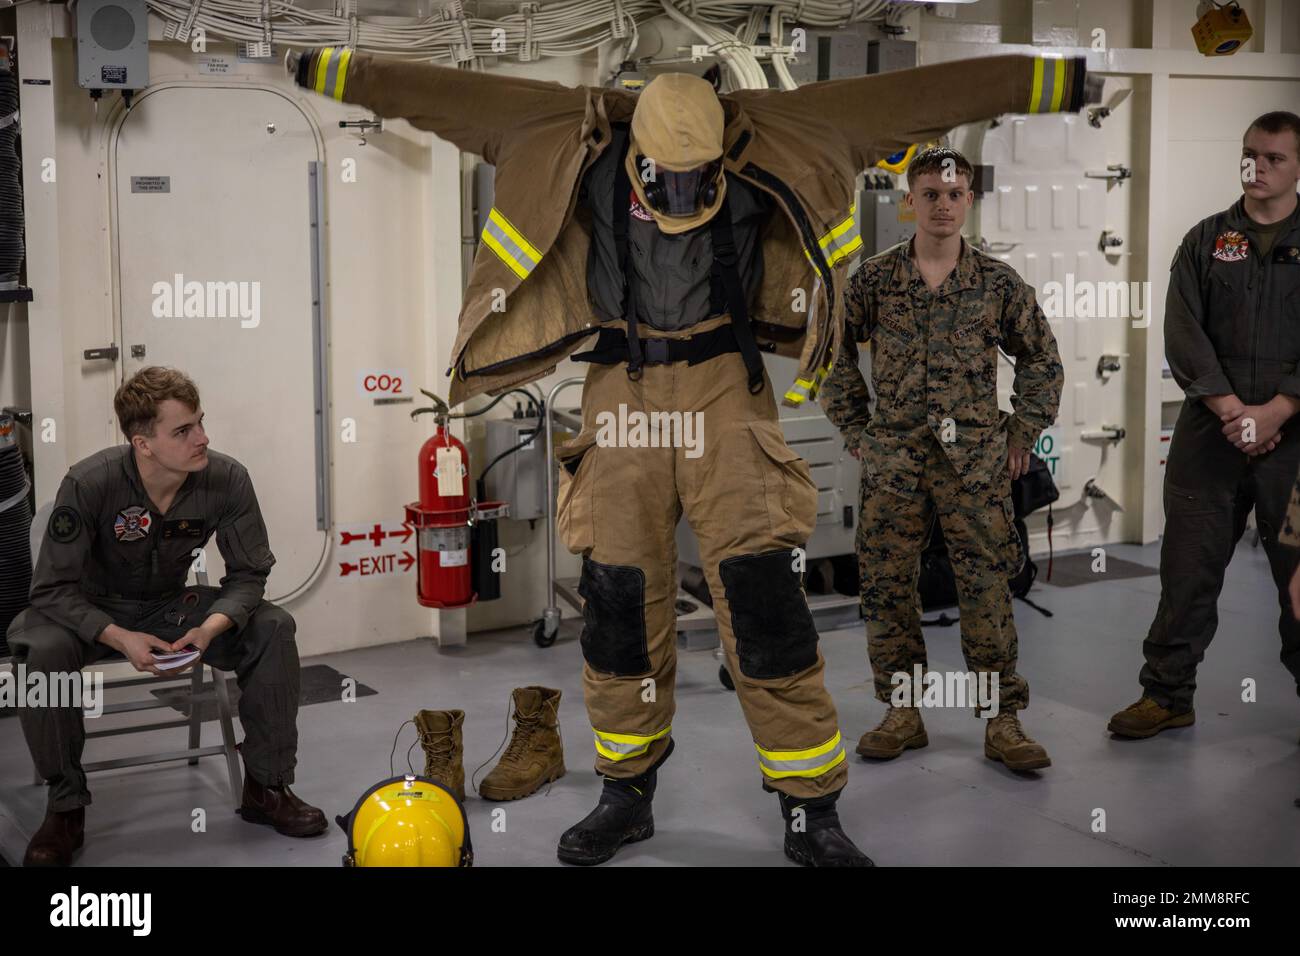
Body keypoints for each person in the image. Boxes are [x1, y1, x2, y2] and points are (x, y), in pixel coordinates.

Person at [287, 46, 1099, 865]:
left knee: (764, 607)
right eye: (664, 180)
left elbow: (927, 89)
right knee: (617, 610)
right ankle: (625, 792)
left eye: (697, 179)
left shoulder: (786, 132)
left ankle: (809, 809)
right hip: (622, 394)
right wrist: (325, 66)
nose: (681, 193)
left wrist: (1062, 80)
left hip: (725, 390)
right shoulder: (566, 133)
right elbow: (435, 87)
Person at [6, 367, 326, 866]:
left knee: (273, 626)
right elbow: (51, 589)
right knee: (40, 651)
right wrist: (118, 637)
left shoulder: (226, 478)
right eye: (183, 430)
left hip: (168, 606)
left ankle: (267, 787)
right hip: (88, 610)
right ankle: (65, 807)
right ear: (143, 443)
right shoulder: (90, 483)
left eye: (200, 422)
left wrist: (209, 628)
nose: (202, 438)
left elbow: (248, 574)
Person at [820, 147, 1063, 770]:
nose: (943, 205)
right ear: (910, 202)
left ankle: (1002, 718)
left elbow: (1042, 360)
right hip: (895, 462)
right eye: (930, 194)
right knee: (886, 585)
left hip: (974, 465)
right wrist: (858, 430)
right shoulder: (872, 280)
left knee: (987, 586)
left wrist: (1021, 433)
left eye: (955, 194)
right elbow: (833, 360)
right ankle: (903, 711)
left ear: (970, 201)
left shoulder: (997, 283)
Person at [1108, 112, 1300, 739]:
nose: (1257, 167)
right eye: (1249, 154)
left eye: (1272, 157)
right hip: (1209, 436)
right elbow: (1182, 333)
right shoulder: (1206, 241)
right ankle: (1166, 695)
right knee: (1187, 571)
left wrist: (1278, 410)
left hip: (1292, 443)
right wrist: (1231, 411)